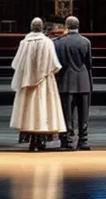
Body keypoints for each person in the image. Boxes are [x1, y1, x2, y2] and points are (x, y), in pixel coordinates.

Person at [10, 17, 66, 150]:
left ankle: (32, 141)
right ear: (42, 28)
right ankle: (40, 140)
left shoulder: (24, 42)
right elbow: (55, 64)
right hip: (44, 82)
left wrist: (29, 73)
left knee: (29, 109)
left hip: (27, 82)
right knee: (43, 108)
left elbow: (16, 63)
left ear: (31, 27)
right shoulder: (47, 42)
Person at [53, 15, 94, 150]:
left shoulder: (58, 42)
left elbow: (57, 63)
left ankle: (67, 141)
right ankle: (83, 140)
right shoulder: (85, 42)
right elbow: (89, 63)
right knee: (83, 113)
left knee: (67, 114)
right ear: (78, 26)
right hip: (83, 81)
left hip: (65, 81)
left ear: (66, 26)